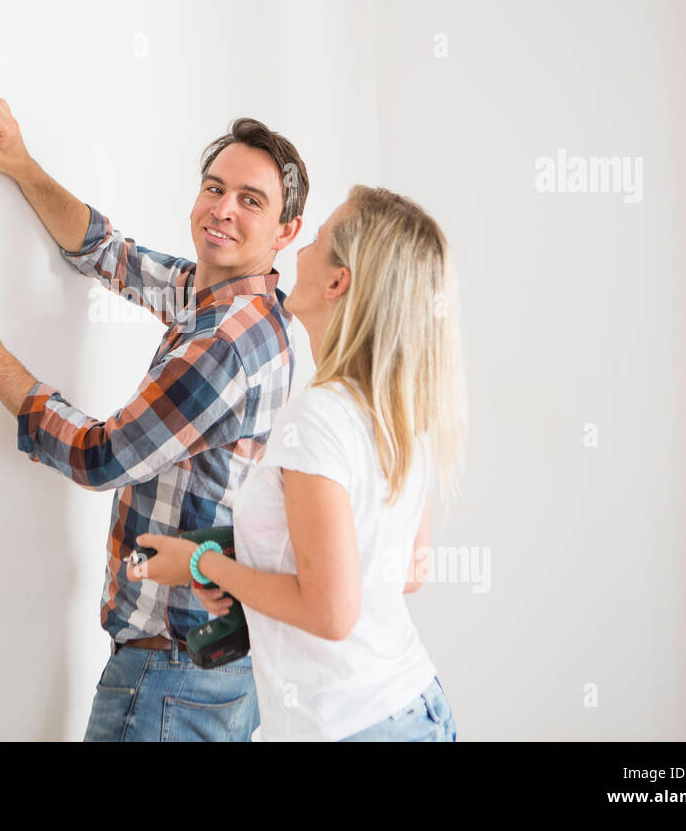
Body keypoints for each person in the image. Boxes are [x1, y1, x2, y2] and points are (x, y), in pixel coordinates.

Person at [0, 99, 309, 740]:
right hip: (208, 667)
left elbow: (103, 457)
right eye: (215, 188)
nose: (223, 209)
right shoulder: (230, 304)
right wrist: (24, 166)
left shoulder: (224, 344)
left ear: (286, 232)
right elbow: (108, 253)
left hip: (171, 678)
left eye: (250, 200)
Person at [128, 185, 467, 741]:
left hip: (352, 726)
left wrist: (202, 564)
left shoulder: (316, 419)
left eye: (314, 241)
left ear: (338, 282)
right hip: (412, 704)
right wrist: (254, 566)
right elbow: (406, 569)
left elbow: (332, 613)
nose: (299, 253)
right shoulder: (397, 404)